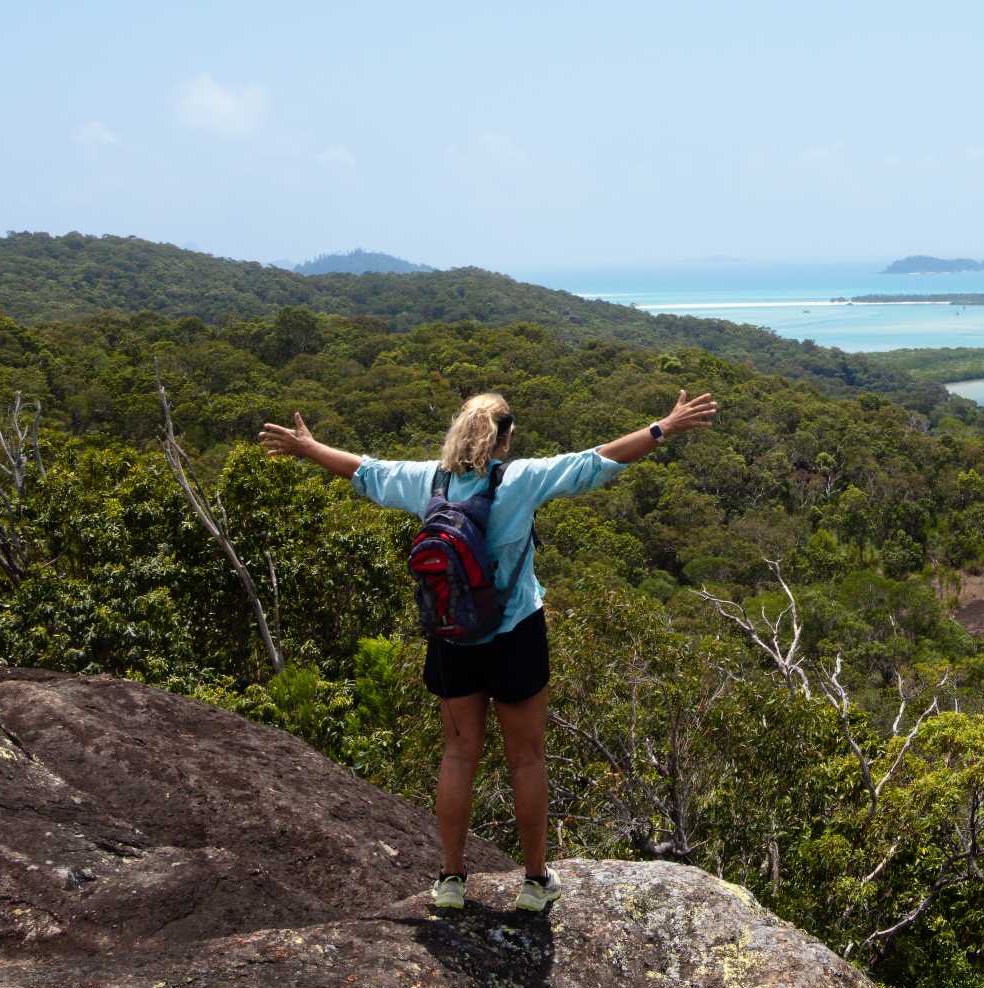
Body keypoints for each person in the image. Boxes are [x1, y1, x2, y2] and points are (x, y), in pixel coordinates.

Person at [258, 387, 718, 911]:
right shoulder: (519, 480)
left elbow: (366, 470)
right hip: (515, 632)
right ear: (504, 437)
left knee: (458, 756)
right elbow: (598, 462)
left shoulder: (429, 482)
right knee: (526, 759)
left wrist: (309, 448)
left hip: (452, 636)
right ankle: (534, 882)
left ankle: (451, 880)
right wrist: (665, 426)